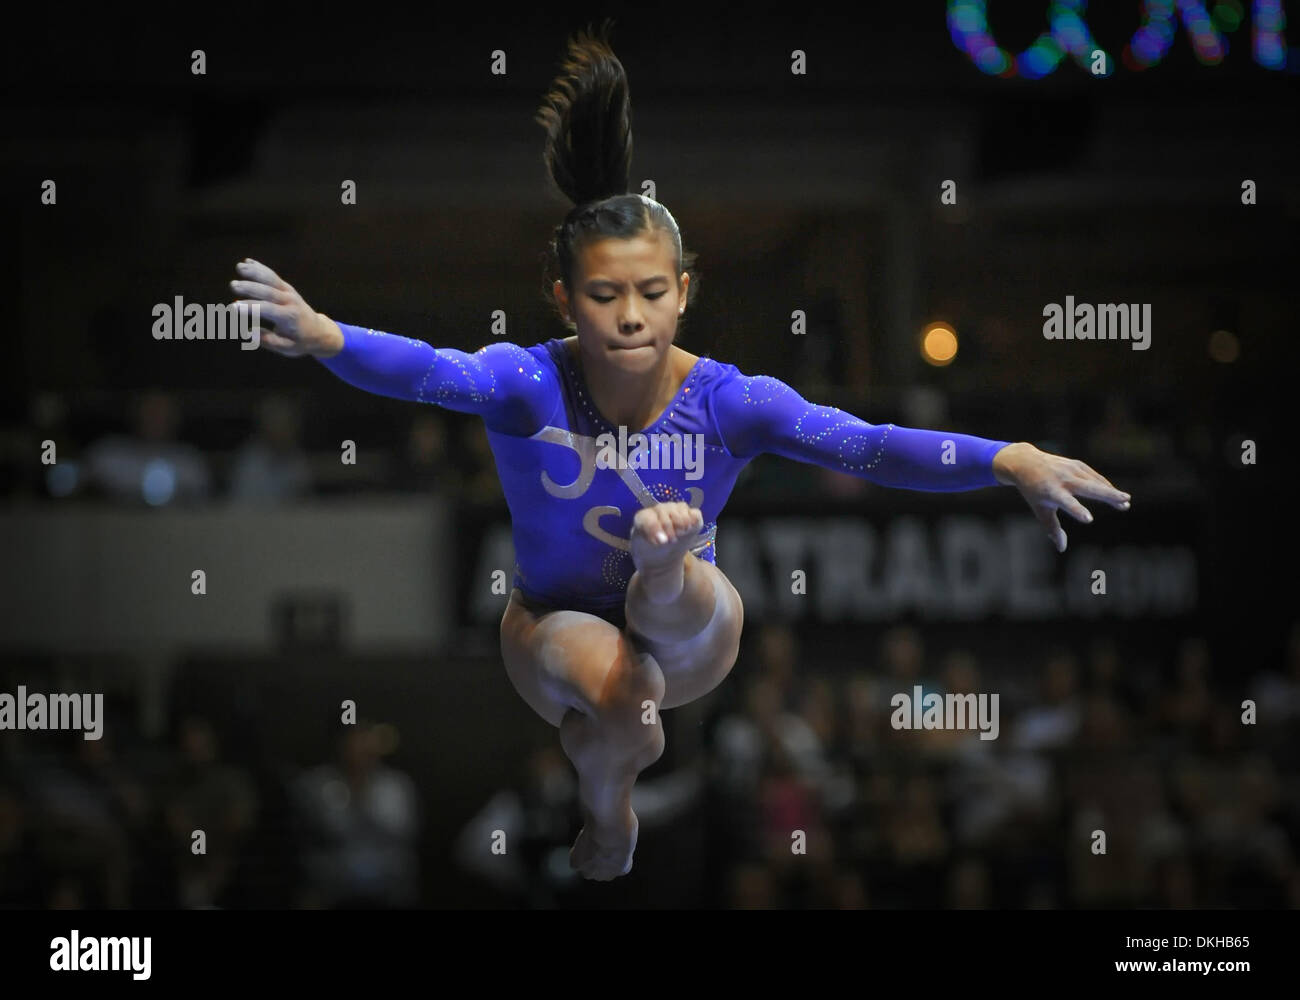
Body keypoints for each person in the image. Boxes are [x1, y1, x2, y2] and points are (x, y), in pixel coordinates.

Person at [227, 22, 1131, 881]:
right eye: (605, 294)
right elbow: (425, 370)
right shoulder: (525, 385)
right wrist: (323, 334)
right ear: (562, 296)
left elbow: (868, 445)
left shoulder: (732, 402)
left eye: (652, 292)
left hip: (696, 627)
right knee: (626, 700)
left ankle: (660, 575)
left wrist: (1006, 455)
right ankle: (609, 800)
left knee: (669, 587)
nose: (629, 316)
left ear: (684, 292)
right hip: (554, 634)